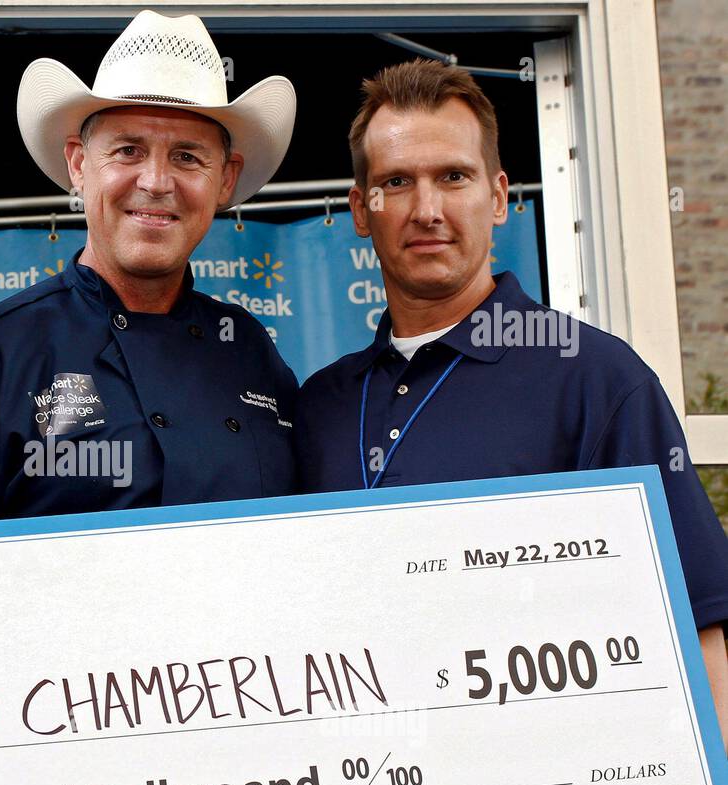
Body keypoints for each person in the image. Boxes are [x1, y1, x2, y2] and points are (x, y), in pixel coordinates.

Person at [294, 60, 728, 741]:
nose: (427, 209)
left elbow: (697, 629)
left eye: (454, 177)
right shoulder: (318, 407)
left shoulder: (596, 380)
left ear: (498, 197)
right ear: (360, 210)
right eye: (396, 182)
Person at [0, 10, 300, 526]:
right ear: (79, 164)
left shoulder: (252, 352)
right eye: (128, 150)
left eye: (188, 157)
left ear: (225, 180)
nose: (156, 182)